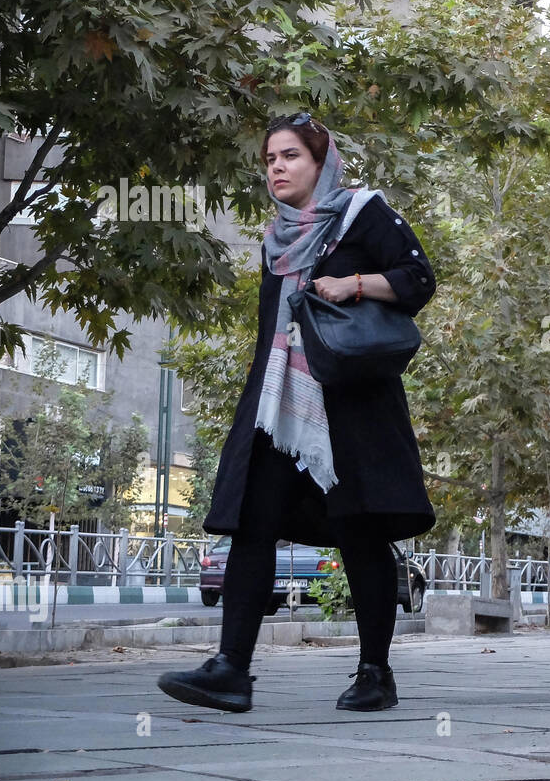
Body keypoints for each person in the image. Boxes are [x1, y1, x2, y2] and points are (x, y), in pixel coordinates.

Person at [158, 113, 436, 712]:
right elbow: (272, 330)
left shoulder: (366, 214)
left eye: (289, 157)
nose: (277, 169)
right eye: (270, 161)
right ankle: (232, 669)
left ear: (320, 162)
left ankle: (375, 673)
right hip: (280, 406)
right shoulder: (275, 238)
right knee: (253, 525)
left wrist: (356, 283)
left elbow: (419, 278)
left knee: (359, 533)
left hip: (351, 406)